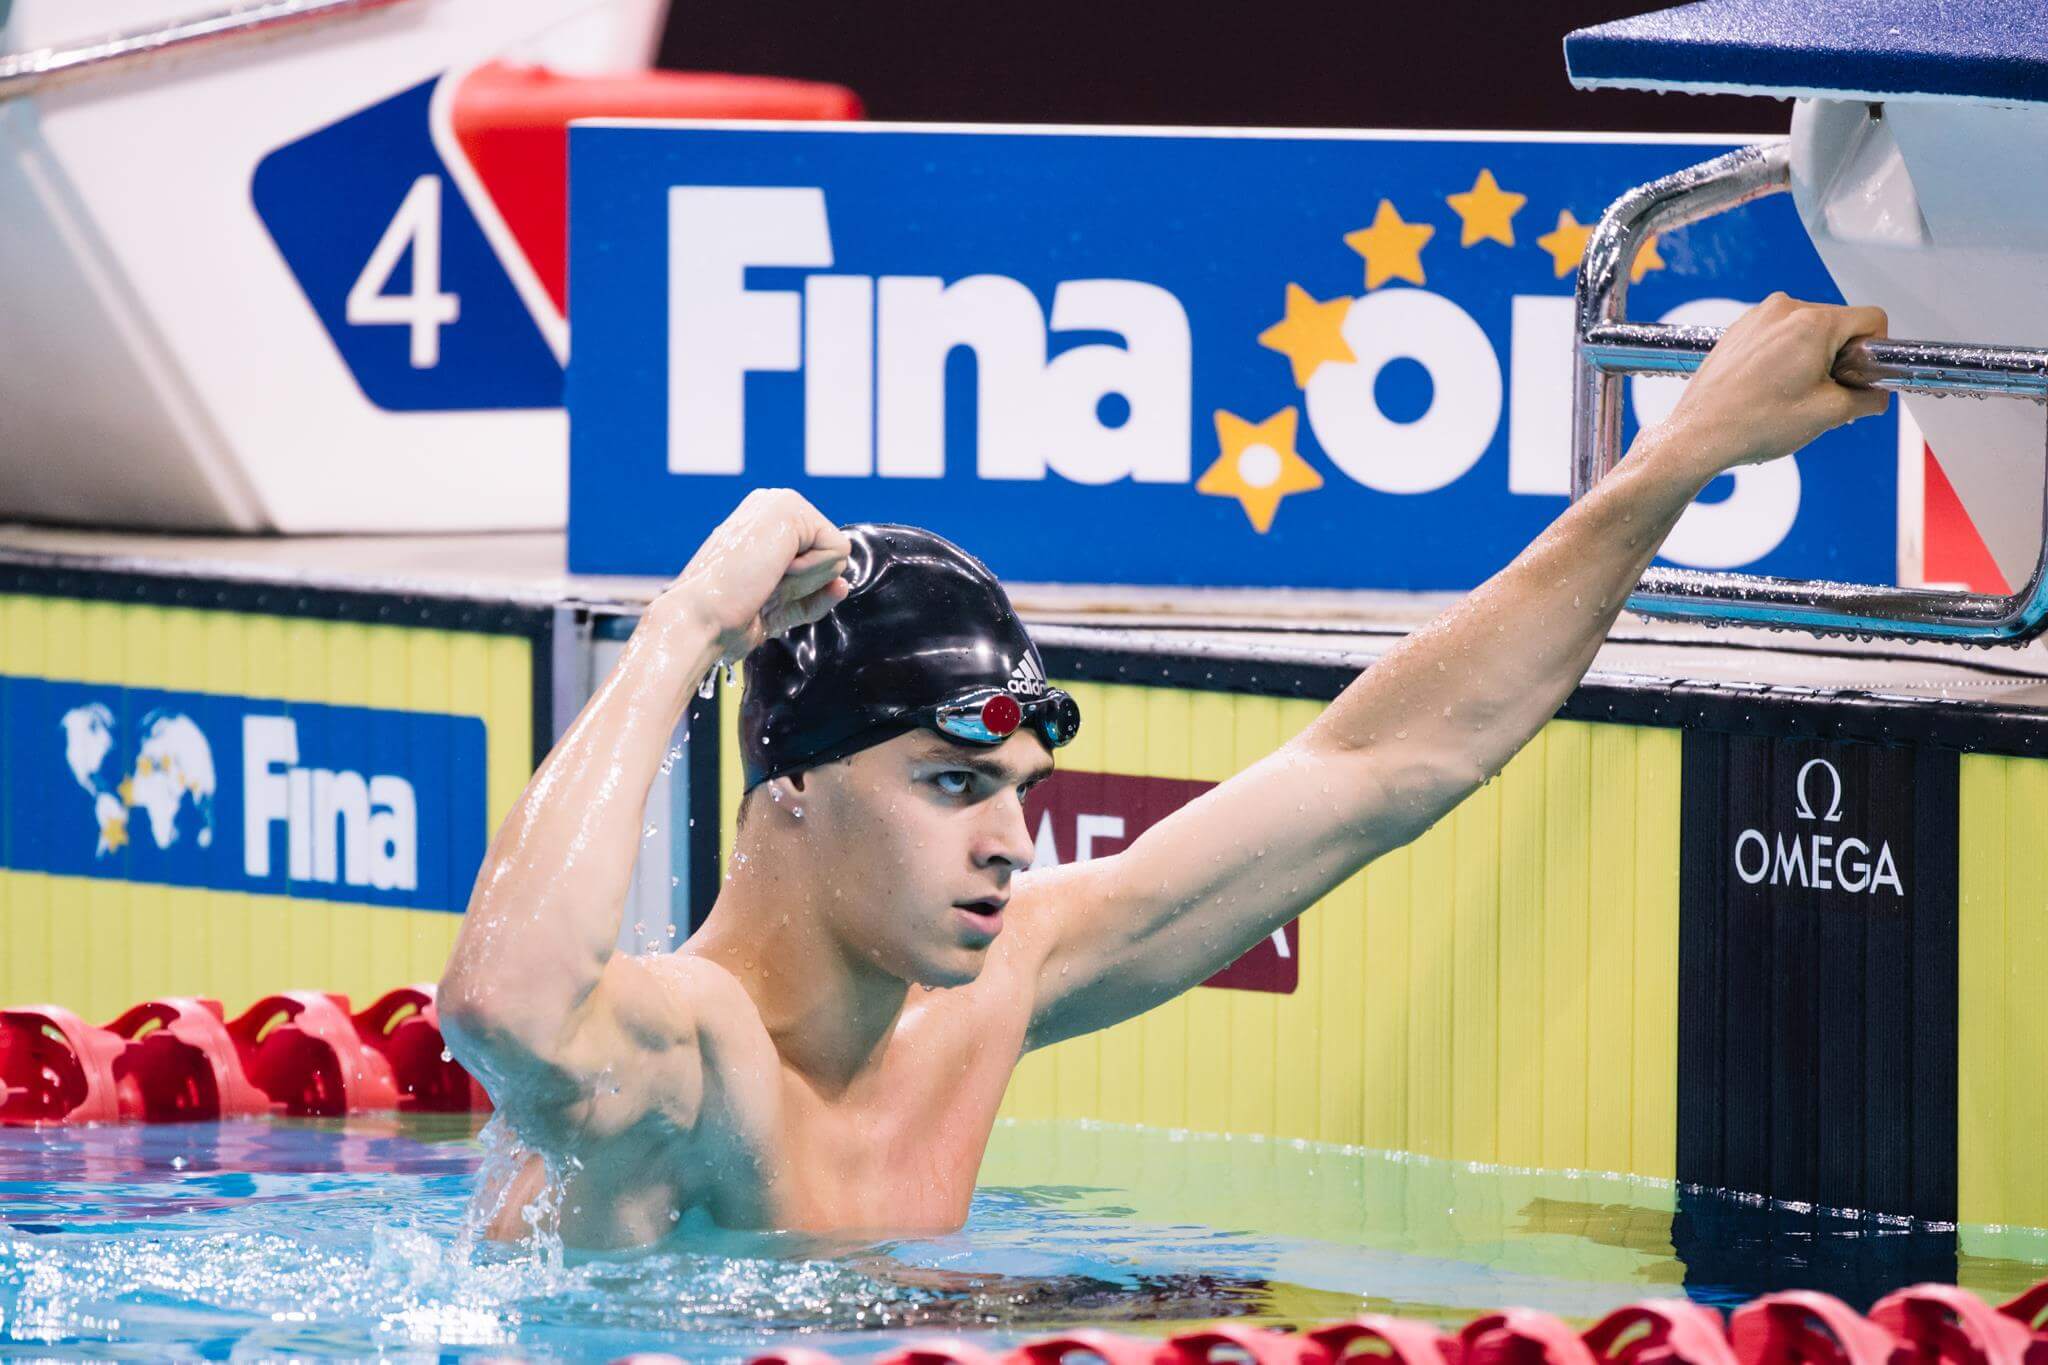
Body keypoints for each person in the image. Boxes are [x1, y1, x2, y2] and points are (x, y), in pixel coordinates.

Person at [439, 294, 1889, 1250]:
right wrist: (691, 623)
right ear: (794, 787)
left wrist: (1681, 451)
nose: (1011, 840)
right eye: (951, 785)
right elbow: (503, 1002)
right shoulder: (695, 1060)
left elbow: (1386, 759)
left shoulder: (984, 998)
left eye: (1018, 787)